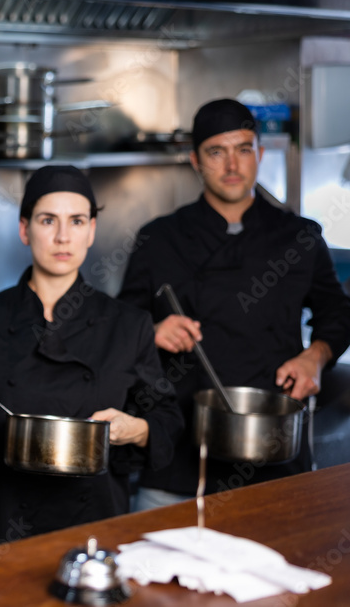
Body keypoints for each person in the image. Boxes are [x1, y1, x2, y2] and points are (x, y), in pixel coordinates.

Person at [119, 98, 350, 509]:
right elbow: (120, 325)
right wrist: (152, 331)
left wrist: (315, 357)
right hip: (178, 460)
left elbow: (338, 313)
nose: (232, 165)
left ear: (259, 154)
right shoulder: (159, 238)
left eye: (243, 149)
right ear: (195, 160)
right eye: (216, 152)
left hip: (274, 453)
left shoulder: (299, 237)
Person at [0, 165, 183, 549]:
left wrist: (136, 429)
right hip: (0, 523)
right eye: (48, 220)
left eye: (76, 221)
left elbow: (167, 420)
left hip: (93, 523)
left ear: (91, 231)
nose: (63, 236)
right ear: (24, 229)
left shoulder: (129, 325)